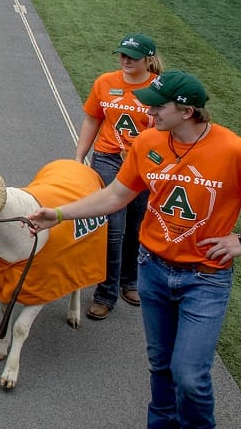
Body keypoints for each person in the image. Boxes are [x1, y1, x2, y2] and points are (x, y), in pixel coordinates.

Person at [26, 71, 241, 429]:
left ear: (187, 112)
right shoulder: (147, 142)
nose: (149, 112)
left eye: (158, 106)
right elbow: (115, 195)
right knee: (160, 365)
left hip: (205, 279)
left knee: (189, 376)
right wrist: (59, 214)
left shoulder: (237, 151)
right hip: (153, 270)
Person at [73, 33, 160, 321]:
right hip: (108, 159)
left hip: (145, 164)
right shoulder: (105, 82)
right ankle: (105, 293)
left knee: (137, 226)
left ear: (148, 59)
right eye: (122, 55)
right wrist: (79, 156)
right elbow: (92, 118)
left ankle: (129, 281)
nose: (125, 60)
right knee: (113, 228)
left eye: (132, 57)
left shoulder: (158, 88)